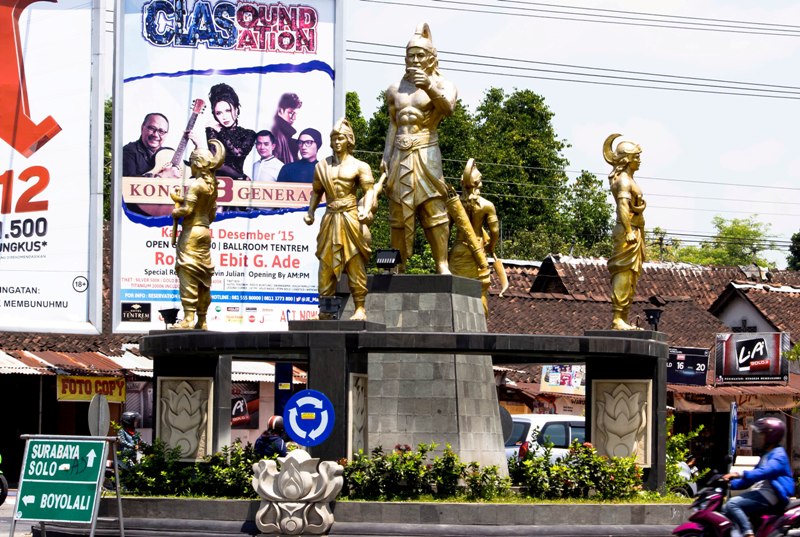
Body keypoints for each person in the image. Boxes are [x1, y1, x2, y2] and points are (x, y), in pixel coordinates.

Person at [381, 23, 457, 274]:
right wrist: (386, 155)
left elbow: (448, 110)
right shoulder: (394, 89)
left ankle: (442, 264)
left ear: (431, 57)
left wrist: (429, 86)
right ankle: (396, 266)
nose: (415, 60)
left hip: (426, 150)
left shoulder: (443, 84)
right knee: (397, 210)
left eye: (420, 55)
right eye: (411, 55)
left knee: (434, 207)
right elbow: (393, 124)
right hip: (399, 152)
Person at [304, 118, 375, 321]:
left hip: (351, 217)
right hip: (330, 218)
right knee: (326, 263)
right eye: (334, 138)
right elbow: (316, 192)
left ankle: (360, 308)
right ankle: (325, 310)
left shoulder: (360, 166)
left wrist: (366, 209)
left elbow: (369, 191)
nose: (336, 142)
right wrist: (310, 212)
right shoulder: (322, 166)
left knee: (354, 262)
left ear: (349, 140)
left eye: (340, 138)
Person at [170, 139, 225, 330]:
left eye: (192, 163)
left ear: (196, 164)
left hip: (191, 232)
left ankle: (188, 318)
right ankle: (202, 320)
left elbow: (186, 210)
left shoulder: (196, 185)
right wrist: (180, 199)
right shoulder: (212, 186)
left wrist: (176, 210)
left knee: (188, 271)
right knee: (203, 274)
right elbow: (212, 213)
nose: (191, 168)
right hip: (204, 231)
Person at [723, 417, 795, 537]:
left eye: (763, 434)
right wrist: (729, 484)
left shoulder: (779, 454)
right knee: (726, 509)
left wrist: (738, 473)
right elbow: (752, 477)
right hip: (761, 493)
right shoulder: (767, 454)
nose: (761, 438)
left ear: (771, 436)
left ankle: (748, 534)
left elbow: (765, 471)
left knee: (732, 504)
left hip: (769, 495)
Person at [603, 133, 646, 330]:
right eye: (636, 156)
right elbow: (622, 206)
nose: (639, 160)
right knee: (623, 271)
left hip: (636, 229)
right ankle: (617, 318)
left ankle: (624, 318)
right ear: (627, 159)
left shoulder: (629, 179)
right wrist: (629, 230)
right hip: (627, 231)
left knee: (632, 274)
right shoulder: (623, 181)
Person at [448, 158, 499, 317]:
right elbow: (495, 231)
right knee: (480, 290)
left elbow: (446, 231)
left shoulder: (454, 205)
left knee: (455, 290)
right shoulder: (487, 205)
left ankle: (456, 324)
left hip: (458, 250)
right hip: (478, 252)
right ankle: (480, 327)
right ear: (479, 183)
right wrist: (491, 247)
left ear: (462, 183)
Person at [204, 83, 256, 180]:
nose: (224, 117)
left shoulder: (249, 134)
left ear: (236, 109)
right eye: (219, 113)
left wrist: (220, 130)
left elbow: (238, 153)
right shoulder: (212, 131)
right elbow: (217, 162)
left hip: (237, 182)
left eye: (228, 110)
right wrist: (242, 176)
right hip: (216, 181)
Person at [122, 113, 179, 178]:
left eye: (161, 131)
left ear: (166, 134)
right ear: (142, 128)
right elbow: (128, 183)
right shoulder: (128, 151)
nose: (155, 135)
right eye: (152, 128)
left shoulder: (168, 153)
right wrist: (163, 175)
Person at [271, 93, 302, 165]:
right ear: (280, 111)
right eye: (291, 113)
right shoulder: (276, 136)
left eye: (295, 114)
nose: (294, 118)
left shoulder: (285, 135)